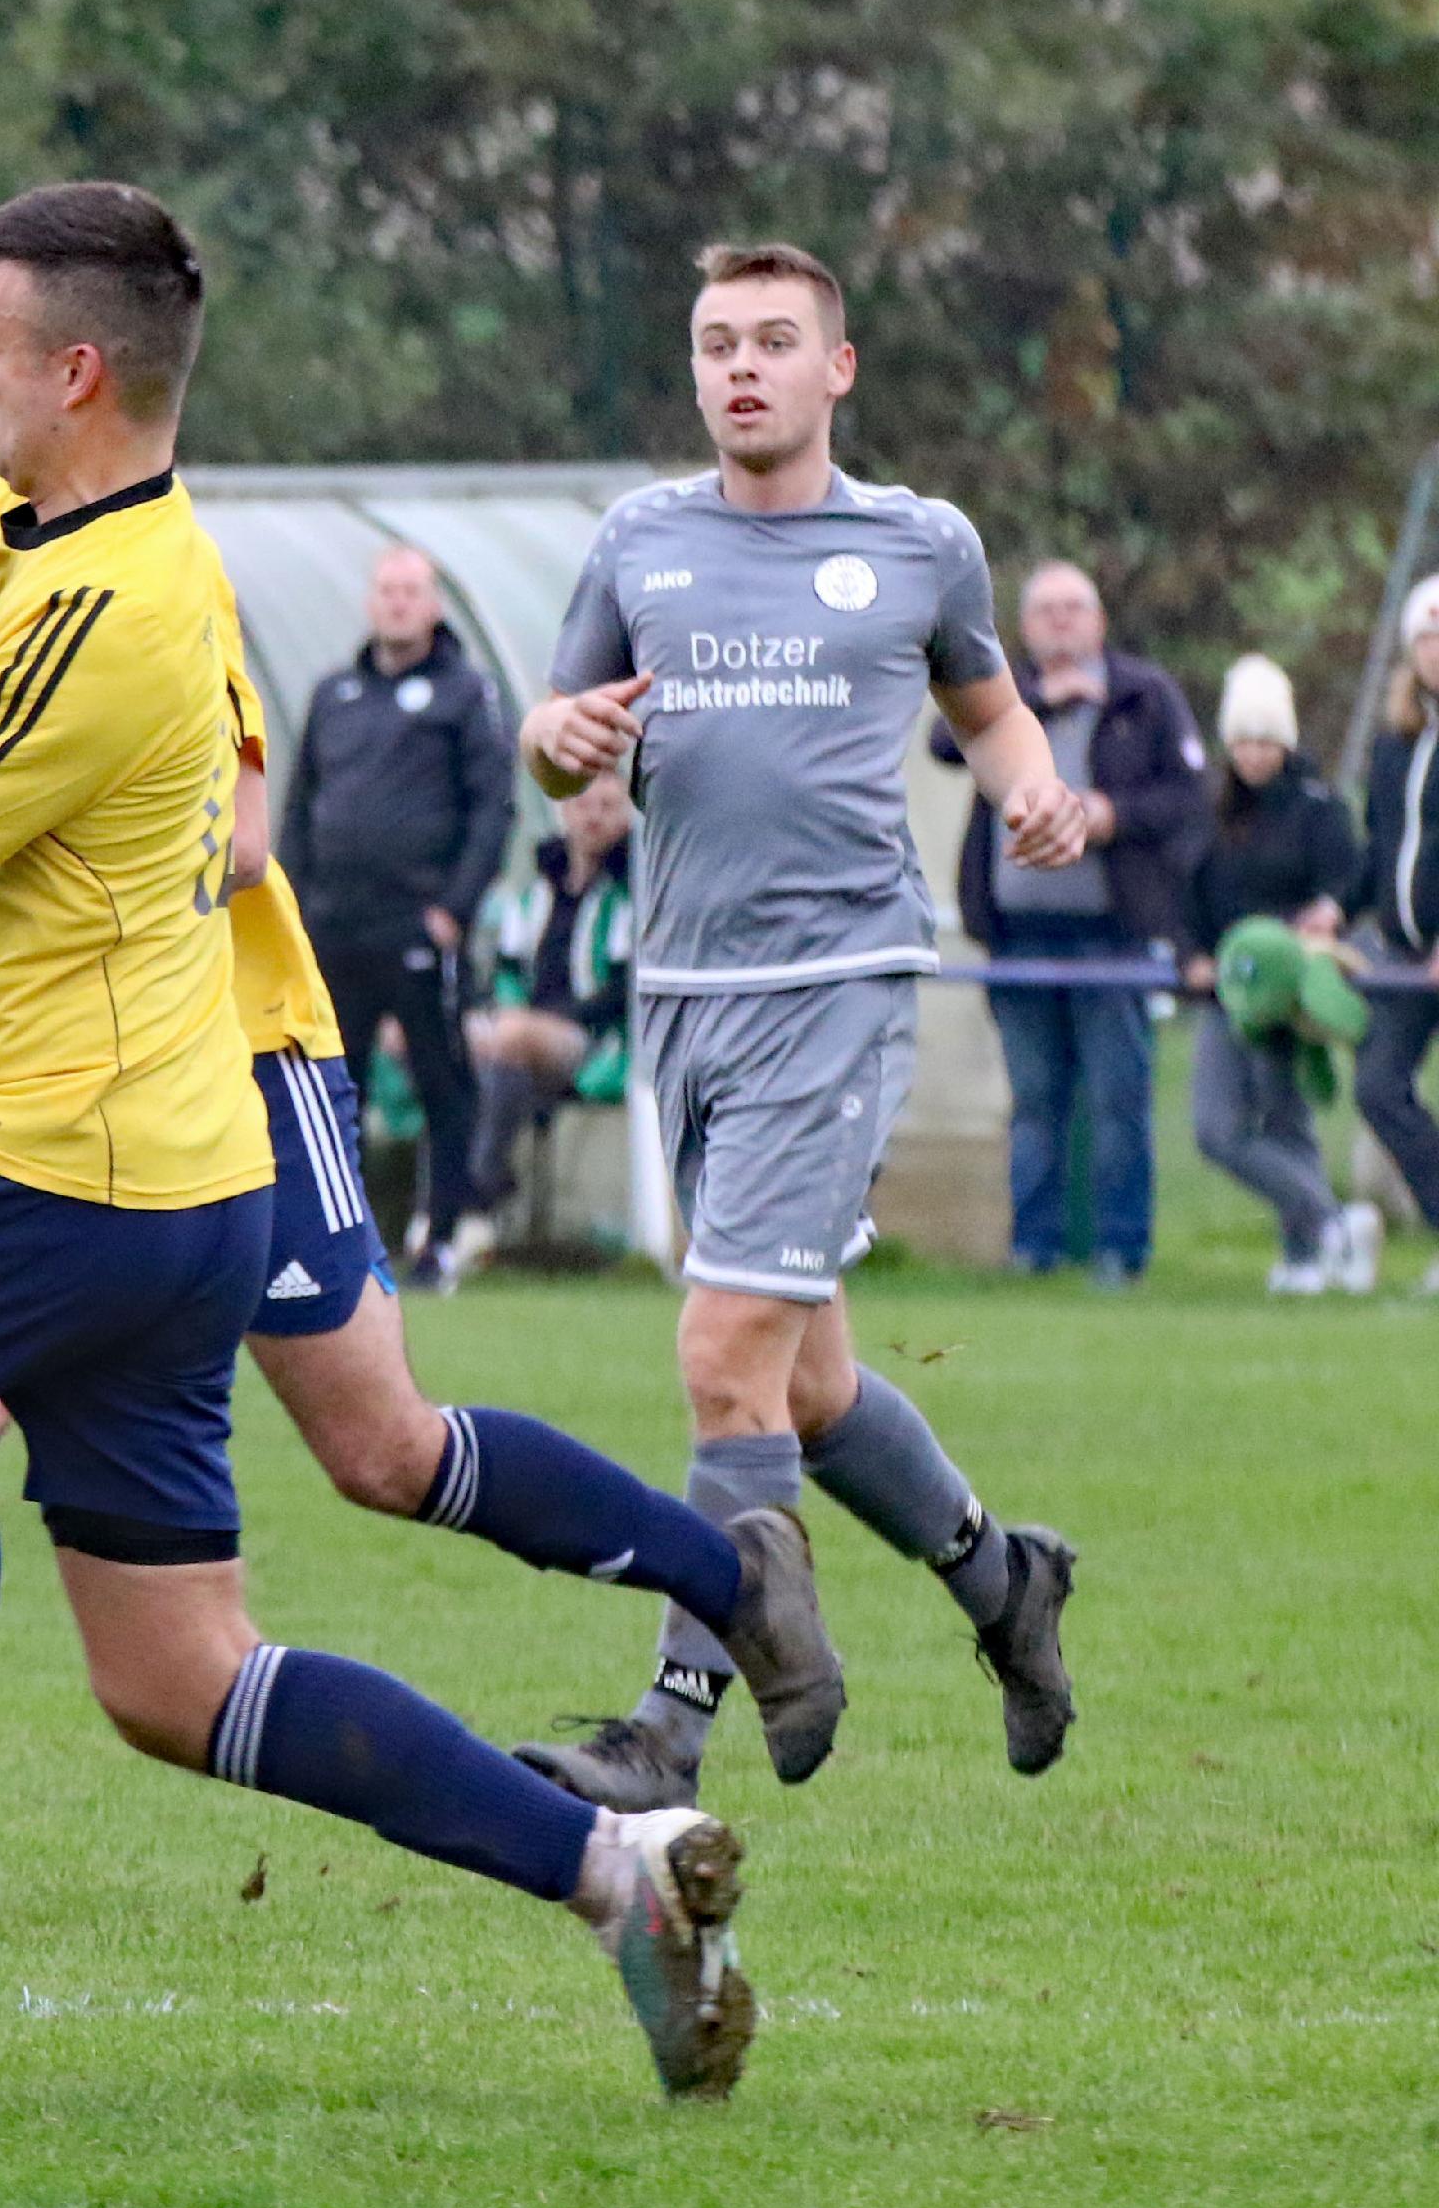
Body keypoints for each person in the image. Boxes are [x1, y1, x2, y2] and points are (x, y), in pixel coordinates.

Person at [0, 183, 756, 2110]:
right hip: (182, 1186)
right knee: (177, 1676)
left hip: (37, 1169)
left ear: (80, 369)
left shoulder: (107, 600)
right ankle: (607, 1870)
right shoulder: (91, 563)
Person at [0, 301, 834, 1932]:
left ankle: (731, 1573)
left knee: (383, 1447)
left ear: (67, 379)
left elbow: (245, 836)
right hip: (63, 1096)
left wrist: (65, 888)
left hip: (235, 1060)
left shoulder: (129, 573)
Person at [515, 240, 1086, 1813]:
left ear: (838, 367)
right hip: (686, 989)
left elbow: (991, 711)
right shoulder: (640, 539)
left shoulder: (918, 544)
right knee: (807, 1384)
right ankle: (1004, 1581)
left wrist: (1032, 782)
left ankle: (670, 1720)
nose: (742, 366)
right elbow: (559, 742)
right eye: (717, 343)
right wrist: (556, 740)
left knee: (719, 1353)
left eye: (775, 340)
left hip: (835, 986)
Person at [941, 562, 1203, 1283]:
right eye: (1046, 609)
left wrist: (1115, 813)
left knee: (1120, 1100)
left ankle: (1122, 1252)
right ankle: (1034, 1251)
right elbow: (942, 742)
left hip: (1111, 935)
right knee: (1034, 1101)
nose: (1060, 620)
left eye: (1074, 608)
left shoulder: (1144, 696)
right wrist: (1030, 699)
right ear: (1024, 627)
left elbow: (1187, 800)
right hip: (1017, 937)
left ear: (1099, 621)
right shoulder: (1000, 693)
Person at [283, 545, 516, 1275]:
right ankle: (336, 1242)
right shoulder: (335, 693)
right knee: (328, 1088)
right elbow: (300, 807)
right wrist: (291, 908)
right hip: (335, 928)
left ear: (436, 604)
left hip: (419, 926)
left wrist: (453, 909)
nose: (397, 603)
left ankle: (442, 1237)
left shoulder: (464, 693)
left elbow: (494, 809)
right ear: (369, 600)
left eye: (412, 591)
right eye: (387, 589)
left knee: (441, 1084)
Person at [1182, 655, 1375, 1295]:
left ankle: (1304, 1255)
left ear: (1286, 741)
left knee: (1287, 1121)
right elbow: (1186, 894)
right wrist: (1193, 958)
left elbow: (1345, 880)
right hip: (1224, 994)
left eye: (1266, 739)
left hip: (1291, 995)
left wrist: (1329, 913)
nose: (1255, 753)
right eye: (1243, 739)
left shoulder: (1319, 810)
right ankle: (1332, 1220)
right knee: (1216, 1129)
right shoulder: (1210, 811)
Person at [460, 770, 639, 1237]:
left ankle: (471, 1194)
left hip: (596, 1043)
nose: (595, 818)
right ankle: (476, 1188)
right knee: (476, 1051)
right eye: (585, 805)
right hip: (522, 1037)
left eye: (608, 807)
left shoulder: (632, 893)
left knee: (507, 1037)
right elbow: (507, 971)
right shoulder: (536, 893)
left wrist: (535, 1022)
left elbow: (619, 993)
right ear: (564, 810)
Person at [1350, 578, 1439, 1293]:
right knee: (1380, 1086)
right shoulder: (1395, 743)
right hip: (1407, 958)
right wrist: (1335, 907)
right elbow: (1382, 846)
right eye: (1427, 636)